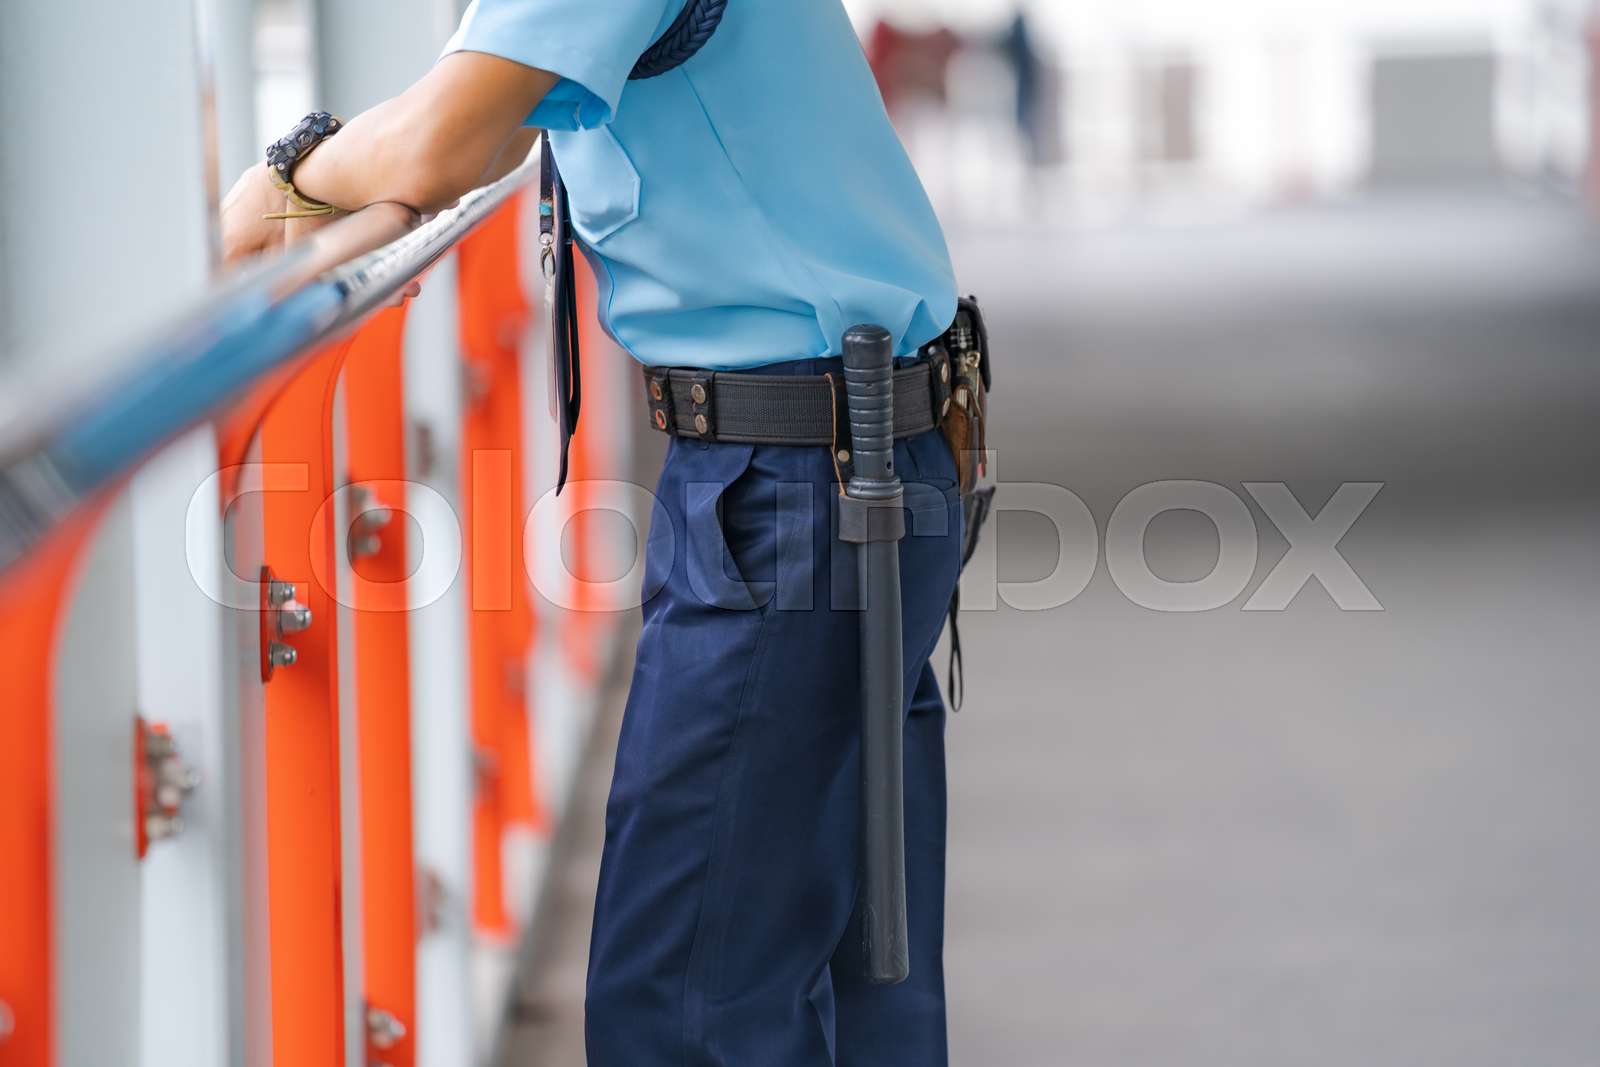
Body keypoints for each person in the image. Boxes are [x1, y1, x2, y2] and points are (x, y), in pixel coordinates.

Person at [222, 0, 967, 1063]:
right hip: (852, 448)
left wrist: (285, 173)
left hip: (801, 473)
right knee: (842, 980)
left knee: (681, 1001)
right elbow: (502, 105)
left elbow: (448, 139)